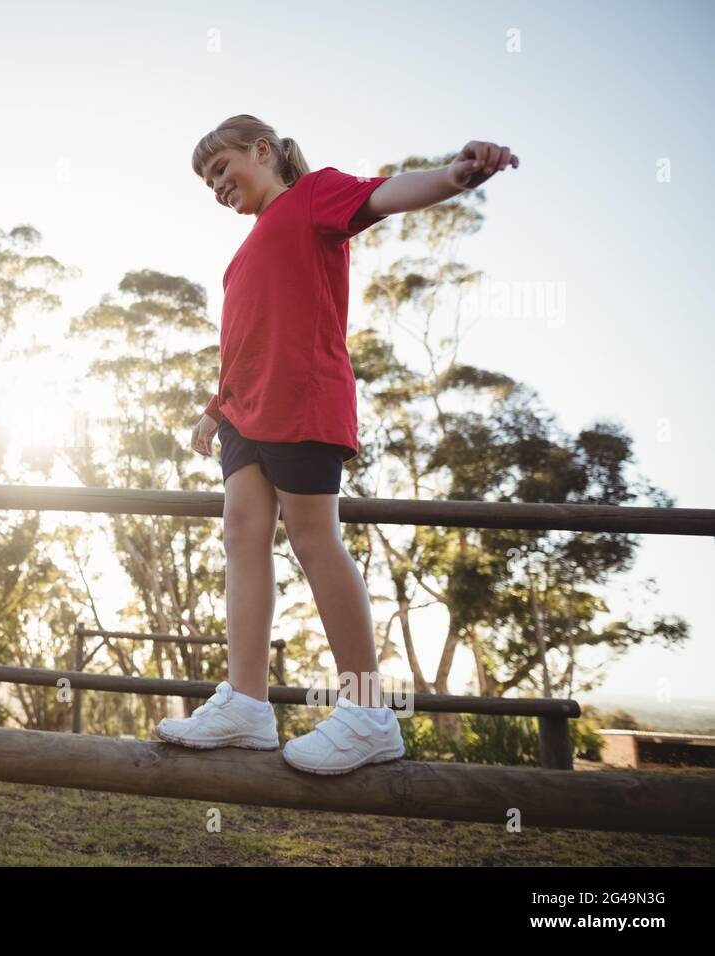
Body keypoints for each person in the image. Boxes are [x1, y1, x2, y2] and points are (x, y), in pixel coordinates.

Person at [155, 114, 518, 774]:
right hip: (244, 413)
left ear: (262, 151)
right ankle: (245, 704)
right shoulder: (246, 249)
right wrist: (214, 411)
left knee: (313, 537)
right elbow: (245, 341)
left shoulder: (313, 196)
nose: (215, 186)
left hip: (303, 400)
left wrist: (454, 176)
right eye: (206, 181)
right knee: (241, 535)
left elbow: (384, 193)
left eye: (221, 168)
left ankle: (367, 712)